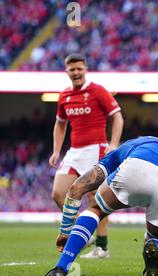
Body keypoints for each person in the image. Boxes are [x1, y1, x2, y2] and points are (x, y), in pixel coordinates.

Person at [43, 136, 158, 276]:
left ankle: (61, 268)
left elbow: (77, 188)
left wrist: (65, 231)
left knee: (96, 209)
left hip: (140, 165)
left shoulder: (119, 151)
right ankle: (155, 246)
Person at [49, 53, 124, 258]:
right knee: (58, 192)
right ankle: (82, 232)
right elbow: (60, 124)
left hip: (96, 149)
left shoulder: (98, 91)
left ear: (85, 69)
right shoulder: (64, 96)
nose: (76, 73)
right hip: (75, 151)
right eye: (72, 69)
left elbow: (117, 117)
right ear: (67, 72)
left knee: (94, 198)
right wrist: (56, 151)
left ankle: (102, 247)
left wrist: (114, 144)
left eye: (79, 68)